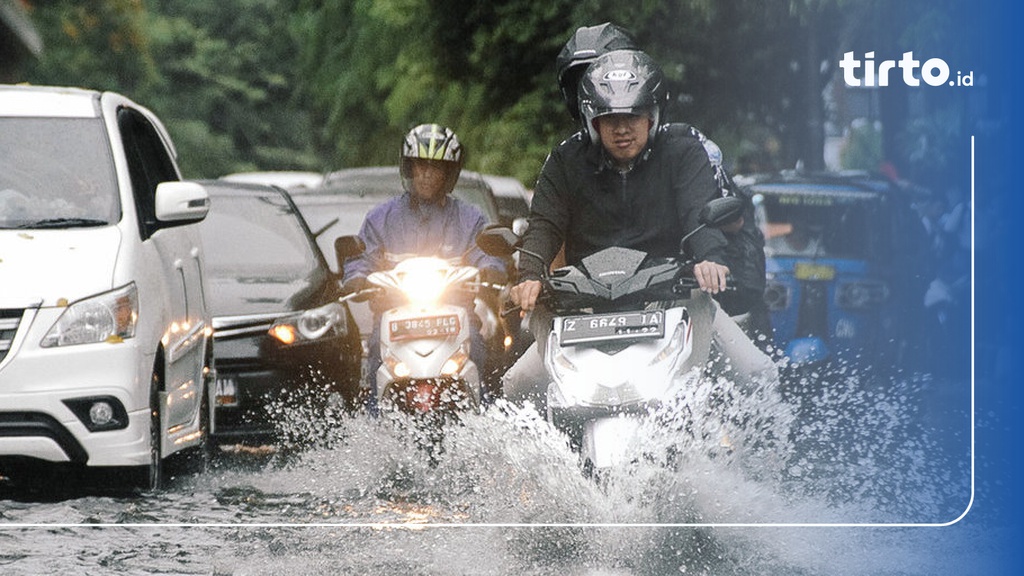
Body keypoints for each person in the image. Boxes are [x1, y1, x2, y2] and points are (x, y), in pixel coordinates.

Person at [503, 49, 777, 407]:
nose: (622, 128)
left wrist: (709, 257)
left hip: (674, 297)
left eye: (633, 115)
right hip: (584, 309)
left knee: (759, 373)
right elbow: (544, 223)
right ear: (591, 120)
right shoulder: (565, 160)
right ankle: (549, 460)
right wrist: (530, 274)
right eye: (609, 116)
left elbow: (700, 210)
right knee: (516, 384)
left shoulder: (683, 151)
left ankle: (739, 457)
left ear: (652, 115)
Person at [555, 23, 770, 344]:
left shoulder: (686, 146)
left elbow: (722, 223)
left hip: (696, 287)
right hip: (605, 299)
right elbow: (556, 234)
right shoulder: (571, 157)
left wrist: (703, 264)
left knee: (745, 361)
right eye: (585, 82)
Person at [341, 124, 508, 408]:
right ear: (409, 168)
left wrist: (492, 268)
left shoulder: (470, 218)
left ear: (449, 173)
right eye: (421, 165)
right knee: (374, 371)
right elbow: (361, 256)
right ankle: (375, 426)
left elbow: (487, 252)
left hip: (457, 320)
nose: (427, 174)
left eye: (436, 167)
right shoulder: (381, 218)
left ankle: (487, 417)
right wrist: (357, 277)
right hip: (394, 320)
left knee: (482, 357)